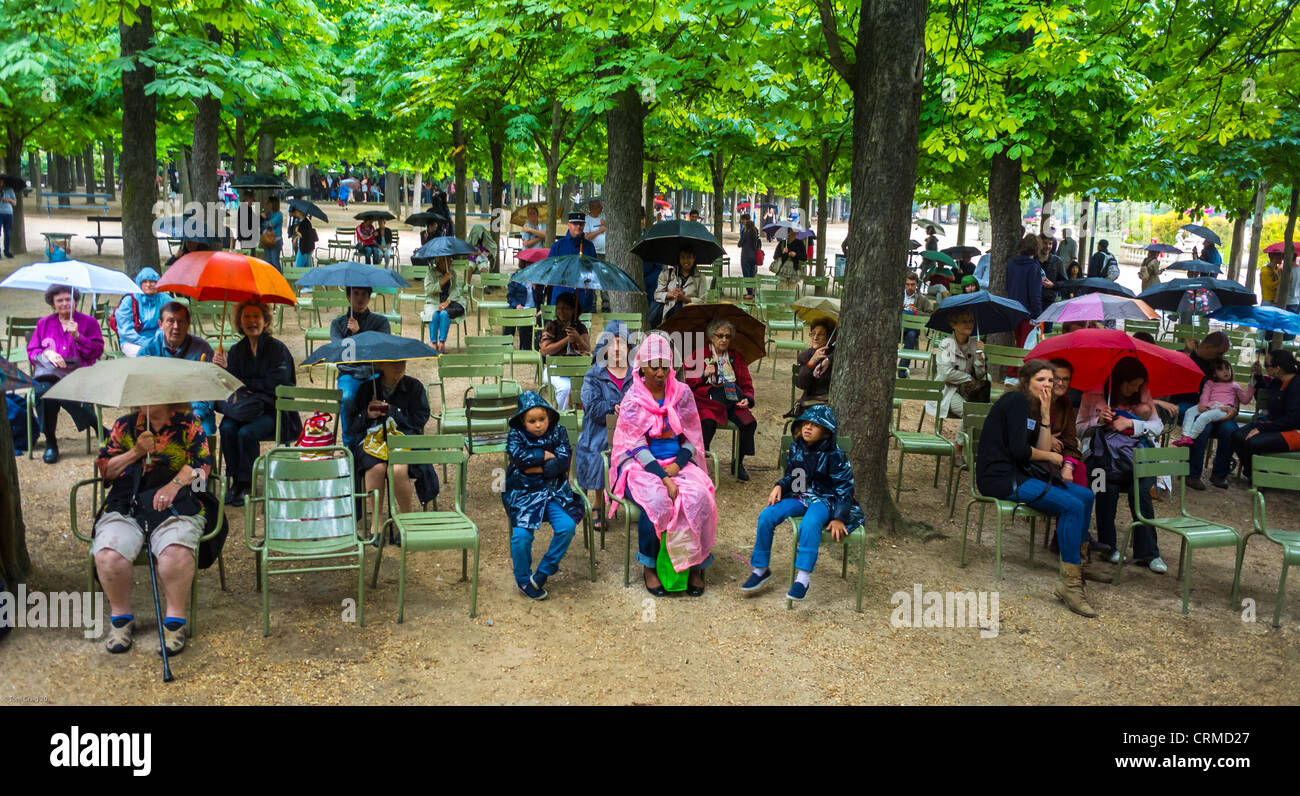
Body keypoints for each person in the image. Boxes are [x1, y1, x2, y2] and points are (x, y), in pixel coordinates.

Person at [976, 359, 1100, 616]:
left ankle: (1078, 567)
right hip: (1000, 478)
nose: (1048, 385)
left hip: (1022, 474)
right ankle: (1070, 586)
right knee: (1072, 506)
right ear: (1026, 381)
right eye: (1040, 379)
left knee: (1086, 496)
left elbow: (1040, 448)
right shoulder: (1015, 401)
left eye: (1050, 380)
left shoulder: (1035, 406)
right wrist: (1053, 457)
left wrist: (1045, 416)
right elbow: (1020, 451)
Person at [93, 402, 211, 654]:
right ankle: (121, 619)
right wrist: (136, 451)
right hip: (127, 502)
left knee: (175, 552)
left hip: (177, 502)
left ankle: (174, 622)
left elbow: (202, 470)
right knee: (108, 555)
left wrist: (174, 485)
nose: (145, 400)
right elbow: (105, 472)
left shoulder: (189, 424)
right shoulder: (124, 426)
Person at [608, 333, 717, 596]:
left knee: (699, 497)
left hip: (678, 462)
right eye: (654, 367)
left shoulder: (682, 394)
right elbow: (636, 445)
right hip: (641, 465)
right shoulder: (633, 398)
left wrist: (677, 466)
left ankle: (695, 564)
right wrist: (664, 477)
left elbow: (692, 437)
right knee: (655, 502)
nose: (660, 373)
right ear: (642, 367)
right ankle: (649, 565)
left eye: (665, 367)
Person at [742, 405, 865, 601]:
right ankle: (761, 568)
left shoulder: (835, 455)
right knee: (767, 515)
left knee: (809, 524)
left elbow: (844, 488)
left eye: (815, 425)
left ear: (826, 430)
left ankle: (803, 578)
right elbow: (795, 477)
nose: (808, 428)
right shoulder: (797, 447)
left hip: (826, 499)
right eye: (806, 423)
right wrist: (780, 485)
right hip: (801, 495)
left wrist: (839, 517)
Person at [1077, 357, 1166, 572]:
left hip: (1137, 458)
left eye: (1138, 385)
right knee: (1104, 489)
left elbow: (1158, 426)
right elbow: (1078, 428)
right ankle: (1108, 546)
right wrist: (1097, 422)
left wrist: (1131, 423)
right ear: (1119, 380)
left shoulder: (1143, 396)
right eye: (1131, 384)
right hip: (1100, 459)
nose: (1135, 389)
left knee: (1141, 493)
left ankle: (1149, 553)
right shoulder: (1093, 395)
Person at [212, 300, 301, 507]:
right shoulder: (236, 351)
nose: (252, 321)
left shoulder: (278, 350)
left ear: (266, 321)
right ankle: (235, 480)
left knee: (246, 433)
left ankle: (246, 483)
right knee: (226, 428)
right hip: (243, 409)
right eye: (247, 317)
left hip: (273, 411)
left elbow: (277, 384)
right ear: (240, 323)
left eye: (256, 316)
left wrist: (244, 383)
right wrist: (224, 369)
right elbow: (231, 385)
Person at [502, 391, 584, 600]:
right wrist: (544, 455)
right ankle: (523, 579)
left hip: (554, 492)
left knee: (567, 527)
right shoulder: (516, 434)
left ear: (549, 417)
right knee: (521, 536)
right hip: (523, 493)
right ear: (523, 421)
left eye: (542, 419)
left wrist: (534, 468)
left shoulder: (559, 431)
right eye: (532, 421)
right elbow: (518, 458)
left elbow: (563, 461)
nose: (538, 425)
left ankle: (544, 571)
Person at [346, 359, 439, 530]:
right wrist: (367, 414)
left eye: (402, 362)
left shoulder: (414, 386)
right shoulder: (367, 388)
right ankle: (377, 520)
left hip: (404, 440)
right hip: (373, 442)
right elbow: (353, 425)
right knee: (376, 469)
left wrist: (393, 410)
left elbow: (419, 420)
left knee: (397, 470)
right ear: (380, 365)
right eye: (393, 363)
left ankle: (406, 519)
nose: (400, 366)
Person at [28, 285, 105, 464]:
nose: (64, 304)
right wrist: (46, 353)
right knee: (42, 392)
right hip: (50, 374)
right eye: (59, 300)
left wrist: (78, 336)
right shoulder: (44, 324)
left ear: (75, 301)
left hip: (80, 374)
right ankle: (51, 442)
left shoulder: (89, 322)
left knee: (57, 391)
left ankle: (96, 426)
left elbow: (96, 352)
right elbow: (32, 351)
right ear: (53, 304)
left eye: (68, 299)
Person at [1210, 350, 1300, 487]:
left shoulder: (1296, 385)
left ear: (1277, 368)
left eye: (1267, 365)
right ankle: (1254, 474)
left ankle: (1259, 477)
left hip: (1294, 431)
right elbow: (1267, 399)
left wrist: (1262, 428)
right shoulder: (1278, 382)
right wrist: (1257, 376)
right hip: (1275, 425)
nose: (1265, 367)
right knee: (1237, 435)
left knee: (1252, 442)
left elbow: (1292, 420)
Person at [685, 318, 758, 481]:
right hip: (707, 400)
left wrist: (747, 398)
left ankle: (738, 462)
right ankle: (699, 461)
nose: (724, 339)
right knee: (707, 421)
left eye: (727, 336)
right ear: (711, 336)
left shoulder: (735, 357)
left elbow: (746, 382)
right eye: (720, 335)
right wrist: (703, 374)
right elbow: (686, 381)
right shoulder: (699, 354)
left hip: (733, 401)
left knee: (749, 423)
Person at [577, 322, 633, 529]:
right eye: (611, 343)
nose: (617, 348)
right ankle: (598, 503)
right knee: (601, 450)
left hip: (631, 431)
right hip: (600, 429)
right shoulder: (594, 374)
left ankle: (635, 498)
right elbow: (592, 407)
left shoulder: (637, 374)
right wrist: (613, 407)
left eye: (622, 343)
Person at [138, 302, 217, 435]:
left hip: (195, 410)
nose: (176, 327)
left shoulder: (202, 349)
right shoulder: (147, 351)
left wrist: (195, 414)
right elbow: (141, 389)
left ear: (188, 324)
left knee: (203, 435)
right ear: (160, 324)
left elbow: (207, 389)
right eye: (170, 321)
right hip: (159, 411)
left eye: (181, 322)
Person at [1167, 331, 1231, 488]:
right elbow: (1180, 378)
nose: (1221, 356)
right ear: (1208, 346)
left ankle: (1219, 474)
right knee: (1203, 426)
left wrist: (1232, 409)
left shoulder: (1217, 364)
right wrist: (1189, 355)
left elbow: (1227, 388)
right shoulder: (1183, 355)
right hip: (1184, 404)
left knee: (1230, 428)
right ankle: (1192, 474)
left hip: (1213, 407)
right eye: (1219, 352)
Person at [332, 287, 392, 446]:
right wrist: (351, 334)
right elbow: (340, 352)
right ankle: (349, 445)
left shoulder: (380, 322)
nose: (360, 298)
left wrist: (359, 333)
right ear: (348, 296)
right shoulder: (338, 324)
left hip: (374, 372)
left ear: (369, 297)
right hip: (349, 373)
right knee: (347, 398)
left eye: (364, 294)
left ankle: (381, 439)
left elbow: (381, 350)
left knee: (387, 397)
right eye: (356, 293)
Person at [931, 308, 990, 468]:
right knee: (970, 412)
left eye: (971, 321)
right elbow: (946, 373)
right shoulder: (947, 344)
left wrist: (980, 358)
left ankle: (974, 449)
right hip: (948, 390)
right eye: (964, 321)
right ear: (953, 324)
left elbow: (980, 375)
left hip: (970, 391)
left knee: (982, 411)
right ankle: (959, 448)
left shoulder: (975, 344)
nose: (969, 324)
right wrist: (968, 378)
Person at [1171, 359, 1254, 449]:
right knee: (1190, 412)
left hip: (1223, 409)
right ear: (1214, 373)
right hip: (1209, 405)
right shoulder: (1210, 383)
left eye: (1227, 368)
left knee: (1203, 417)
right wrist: (1203, 404)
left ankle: (1191, 437)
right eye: (1220, 369)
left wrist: (1251, 386)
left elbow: (1245, 400)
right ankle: (1185, 436)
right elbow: (1205, 394)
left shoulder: (1234, 386)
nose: (1225, 371)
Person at [538, 292, 590, 410]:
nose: (561, 311)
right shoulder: (551, 326)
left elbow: (587, 349)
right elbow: (544, 350)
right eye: (559, 308)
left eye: (565, 308)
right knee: (566, 388)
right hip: (554, 369)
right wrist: (566, 340)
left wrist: (577, 338)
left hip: (576, 369)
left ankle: (579, 415)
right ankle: (564, 417)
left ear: (573, 310)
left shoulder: (580, 327)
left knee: (586, 387)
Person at [113, 267, 171, 357]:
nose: (148, 285)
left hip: (159, 339)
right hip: (132, 341)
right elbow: (125, 330)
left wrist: (156, 340)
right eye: (144, 282)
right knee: (146, 355)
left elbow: (169, 323)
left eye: (152, 281)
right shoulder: (129, 300)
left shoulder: (165, 299)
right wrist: (144, 342)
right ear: (139, 283)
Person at [547, 211, 596, 314]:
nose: (578, 226)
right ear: (568, 224)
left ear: (584, 225)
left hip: (583, 296)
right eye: (575, 223)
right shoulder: (558, 246)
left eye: (581, 224)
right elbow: (550, 269)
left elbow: (593, 270)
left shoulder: (589, 246)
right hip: (561, 295)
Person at [652, 245, 708, 326]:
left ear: (694, 258)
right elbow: (657, 295)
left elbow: (703, 301)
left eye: (689, 257)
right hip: (669, 318)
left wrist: (686, 299)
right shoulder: (667, 274)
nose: (686, 261)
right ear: (678, 258)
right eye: (682, 257)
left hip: (691, 319)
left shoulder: (700, 278)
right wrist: (669, 294)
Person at [422, 256, 465, 354]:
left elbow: (455, 290)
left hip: (448, 302)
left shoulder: (452, 273)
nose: (450, 263)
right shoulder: (430, 274)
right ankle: (433, 343)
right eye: (447, 261)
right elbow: (428, 290)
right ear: (439, 262)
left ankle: (442, 342)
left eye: (450, 260)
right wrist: (442, 282)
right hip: (433, 302)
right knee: (434, 315)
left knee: (444, 314)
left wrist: (448, 301)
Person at [1005, 233, 1043, 346]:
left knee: (1018, 344)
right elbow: (1034, 294)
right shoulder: (1033, 266)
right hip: (1029, 313)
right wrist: (1038, 315)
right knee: (1027, 346)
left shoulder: (1011, 264)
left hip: (1014, 311)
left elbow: (1008, 286)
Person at [794, 318, 835, 414]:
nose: (815, 337)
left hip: (831, 404)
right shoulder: (805, 356)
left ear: (830, 338)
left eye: (820, 334)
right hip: (811, 404)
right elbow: (801, 384)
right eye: (813, 333)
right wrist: (812, 362)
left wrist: (828, 359)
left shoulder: (836, 354)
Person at [506, 279, 545, 350]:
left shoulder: (538, 280)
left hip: (533, 310)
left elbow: (540, 300)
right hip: (519, 309)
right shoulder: (516, 279)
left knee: (532, 322)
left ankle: (526, 348)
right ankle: (506, 346)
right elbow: (510, 297)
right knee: (509, 317)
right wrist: (517, 305)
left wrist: (535, 288)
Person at [1037, 233, 1066, 310]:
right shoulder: (1032, 260)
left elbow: (1065, 283)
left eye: (1050, 244)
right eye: (1045, 243)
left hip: (1050, 303)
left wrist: (1053, 285)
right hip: (1034, 302)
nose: (1048, 246)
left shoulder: (1057, 261)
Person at [772, 227, 806, 291]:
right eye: (792, 231)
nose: (794, 232)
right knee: (782, 290)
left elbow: (804, 258)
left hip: (794, 269)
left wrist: (796, 255)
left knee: (792, 291)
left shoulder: (800, 243)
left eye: (796, 231)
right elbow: (775, 256)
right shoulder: (783, 242)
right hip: (783, 269)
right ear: (789, 231)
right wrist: (782, 252)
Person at [739, 213, 762, 300]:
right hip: (754, 256)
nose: (742, 221)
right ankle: (752, 292)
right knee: (752, 274)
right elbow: (758, 243)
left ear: (746, 220)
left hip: (745, 256)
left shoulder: (745, 232)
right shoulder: (755, 230)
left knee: (746, 274)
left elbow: (740, 244)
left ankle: (750, 293)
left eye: (743, 220)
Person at [260, 196, 283, 270]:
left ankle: (278, 276)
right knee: (268, 261)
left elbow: (271, 223)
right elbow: (261, 224)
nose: (267, 204)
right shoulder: (268, 213)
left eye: (269, 203)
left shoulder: (279, 214)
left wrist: (265, 219)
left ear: (273, 204)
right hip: (267, 239)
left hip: (276, 240)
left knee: (275, 261)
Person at [0, 181, 16, 258]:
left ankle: (6, 252)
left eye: (1, 181)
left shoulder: (9, 190)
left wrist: (9, 200)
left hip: (8, 213)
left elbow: (15, 203)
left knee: (7, 234)